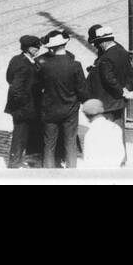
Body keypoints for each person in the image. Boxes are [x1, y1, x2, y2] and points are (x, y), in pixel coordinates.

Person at [37, 32, 89, 168]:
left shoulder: (45, 65)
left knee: (49, 144)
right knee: (70, 142)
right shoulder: (75, 65)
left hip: (49, 110)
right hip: (70, 111)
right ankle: (71, 173)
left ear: (52, 48)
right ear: (64, 45)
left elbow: (37, 86)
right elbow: (82, 90)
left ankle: (49, 175)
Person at [5, 35, 43, 168]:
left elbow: (9, 77)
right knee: (20, 134)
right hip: (23, 107)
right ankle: (14, 163)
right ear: (28, 48)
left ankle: (24, 158)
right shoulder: (24, 65)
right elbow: (16, 88)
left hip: (22, 105)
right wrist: (25, 104)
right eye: (36, 47)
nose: (38, 49)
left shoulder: (17, 59)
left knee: (24, 132)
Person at [86, 25, 133, 123]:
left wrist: (122, 91)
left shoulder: (106, 58)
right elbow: (131, 72)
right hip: (120, 101)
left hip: (108, 102)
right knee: (119, 128)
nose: (97, 46)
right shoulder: (123, 52)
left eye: (98, 43)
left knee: (108, 130)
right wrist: (127, 90)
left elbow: (109, 79)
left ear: (103, 42)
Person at [78, 99, 127, 169]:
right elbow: (121, 154)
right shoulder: (116, 128)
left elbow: (89, 160)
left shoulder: (89, 134)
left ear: (87, 116)